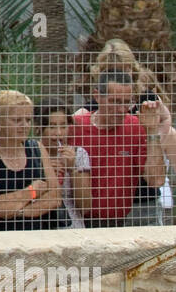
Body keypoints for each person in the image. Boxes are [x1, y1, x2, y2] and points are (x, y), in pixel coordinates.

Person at [67, 68, 166, 226]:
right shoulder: (75, 127)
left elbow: (156, 179)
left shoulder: (136, 127)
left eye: (127, 102)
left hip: (119, 221)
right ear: (97, 96)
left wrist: (152, 131)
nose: (121, 109)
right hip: (77, 221)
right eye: (115, 101)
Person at [0, 90, 64, 230]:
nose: (25, 126)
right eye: (17, 120)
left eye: (28, 120)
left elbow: (55, 197)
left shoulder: (37, 148)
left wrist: (21, 211)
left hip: (35, 235)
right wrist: (32, 191)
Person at [35, 99, 87, 227]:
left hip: (72, 227)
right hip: (38, 226)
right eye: (52, 127)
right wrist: (44, 173)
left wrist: (73, 169)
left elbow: (85, 207)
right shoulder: (31, 154)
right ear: (39, 128)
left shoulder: (79, 154)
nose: (58, 133)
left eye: (63, 126)